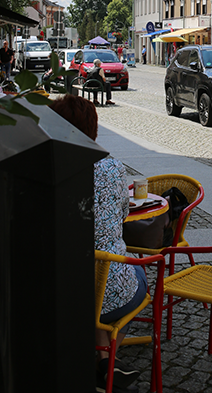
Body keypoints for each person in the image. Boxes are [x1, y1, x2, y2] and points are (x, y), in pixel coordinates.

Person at [48, 95, 144, 392]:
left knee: (89, 281)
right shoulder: (112, 167)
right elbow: (124, 215)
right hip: (113, 285)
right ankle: (104, 360)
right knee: (133, 277)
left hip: (63, 288)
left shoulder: (48, 169)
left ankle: (100, 361)